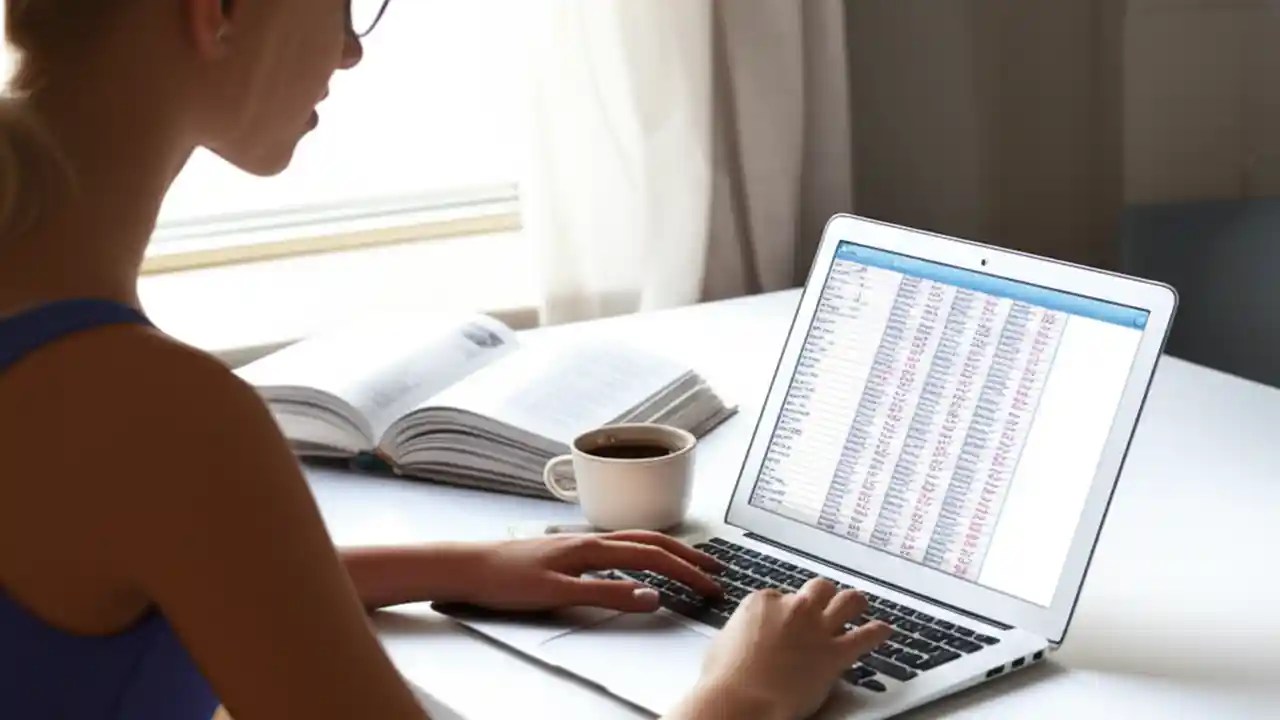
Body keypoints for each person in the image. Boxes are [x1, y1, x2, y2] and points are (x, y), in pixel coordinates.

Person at [0, 1, 893, 718]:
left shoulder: (75, 360)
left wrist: (452, 567)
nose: (349, 52)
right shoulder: (159, 411)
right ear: (216, 11)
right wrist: (748, 693)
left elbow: (113, 555)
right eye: (349, 5)